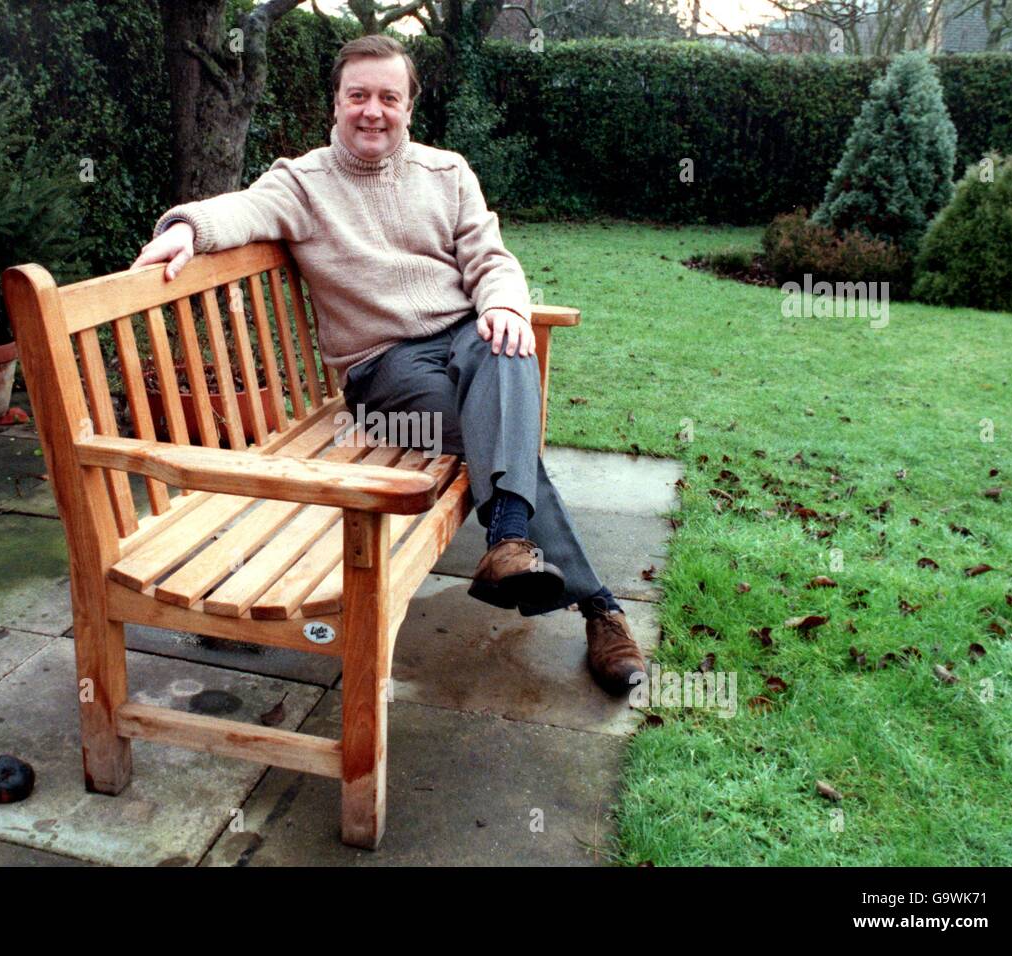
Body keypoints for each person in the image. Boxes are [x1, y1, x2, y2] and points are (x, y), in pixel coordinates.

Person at [132, 35, 645, 696]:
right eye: (358, 96)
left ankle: (514, 543)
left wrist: (509, 309)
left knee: (507, 347)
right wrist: (186, 229)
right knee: (503, 434)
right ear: (337, 105)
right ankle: (596, 602)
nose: (372, 110)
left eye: (388, 97)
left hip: (466, 337)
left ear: (408, 108)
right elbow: (242, 210)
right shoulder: (301, 181)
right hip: (384, 374)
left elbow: (490, 260)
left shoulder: (447, 173)